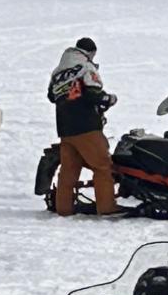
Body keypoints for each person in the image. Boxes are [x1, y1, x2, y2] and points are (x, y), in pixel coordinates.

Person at [47, 37, 120, 216]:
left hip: (65, 128)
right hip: (87, 126)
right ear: (91, 52)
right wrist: (109, 99)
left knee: (68, 172)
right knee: (102, 167)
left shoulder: (57, 72)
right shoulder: (86, 67)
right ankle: (107, 207)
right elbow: (93, 94)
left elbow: (51, 96)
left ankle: (64, 209)